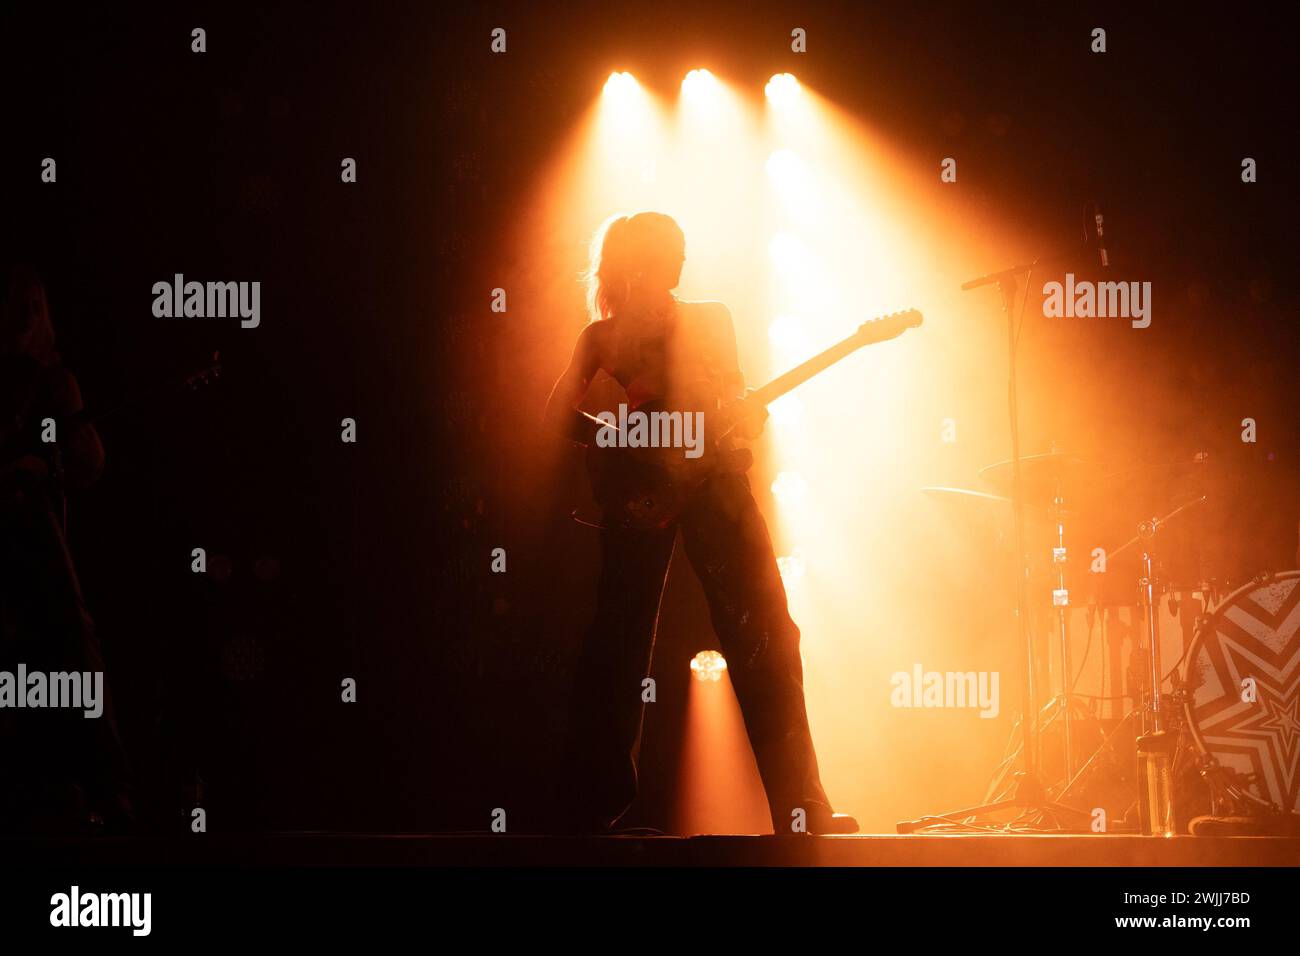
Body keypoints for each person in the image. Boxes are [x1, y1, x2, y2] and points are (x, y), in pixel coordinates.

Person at [544, 212, 858, 834]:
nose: (684, 262)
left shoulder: (712, 319)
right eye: (674, 252)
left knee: (767, 633)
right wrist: (623, 441)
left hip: (716, 486)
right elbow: (559, 414)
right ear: (639, 261)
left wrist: (745, 420)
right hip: (642, 494)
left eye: (685, 251)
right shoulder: (602, 338)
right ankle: (592, 808)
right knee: (618, 643)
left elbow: (739, 403)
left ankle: (801, 808)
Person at [0, 265, 133, 833]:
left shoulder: (52, 380)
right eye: (21, 307)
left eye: (39, 307)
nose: (32, 319)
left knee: (74, 646)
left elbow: (89, 465)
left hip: (36, 536)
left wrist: (67, 400)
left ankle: (105, 789)